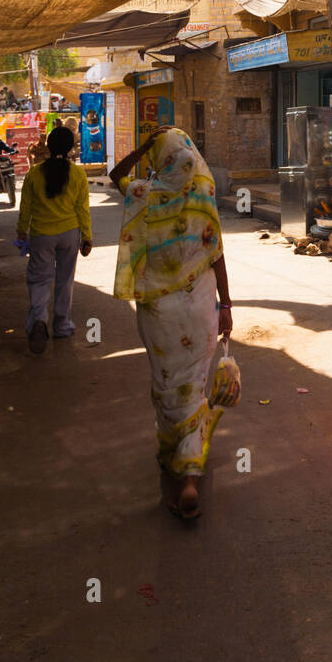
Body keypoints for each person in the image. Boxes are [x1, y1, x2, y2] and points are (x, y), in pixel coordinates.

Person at [110, 126, 232, 521]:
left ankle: (185, 475)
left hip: (159, 311)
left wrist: (144, 145)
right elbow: (217, 254)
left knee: (168, 384)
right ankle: (186, 466)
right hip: (200, 308)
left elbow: (115, 174)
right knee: (194, 385)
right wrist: (226, 303)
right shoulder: (204, 195)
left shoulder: (145, 195)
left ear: (160, 158)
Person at [16, 126, 92, 353]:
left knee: (39, 279)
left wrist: (22, 230)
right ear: (71, 148)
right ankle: (62, 325)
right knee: (65, 280)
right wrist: (87, 237)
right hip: (70, 233)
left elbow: (26, 207)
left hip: (41, 235)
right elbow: (82, 209)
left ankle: (38, 320)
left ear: (48, 146)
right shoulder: (78, 174)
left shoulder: (34, 173)